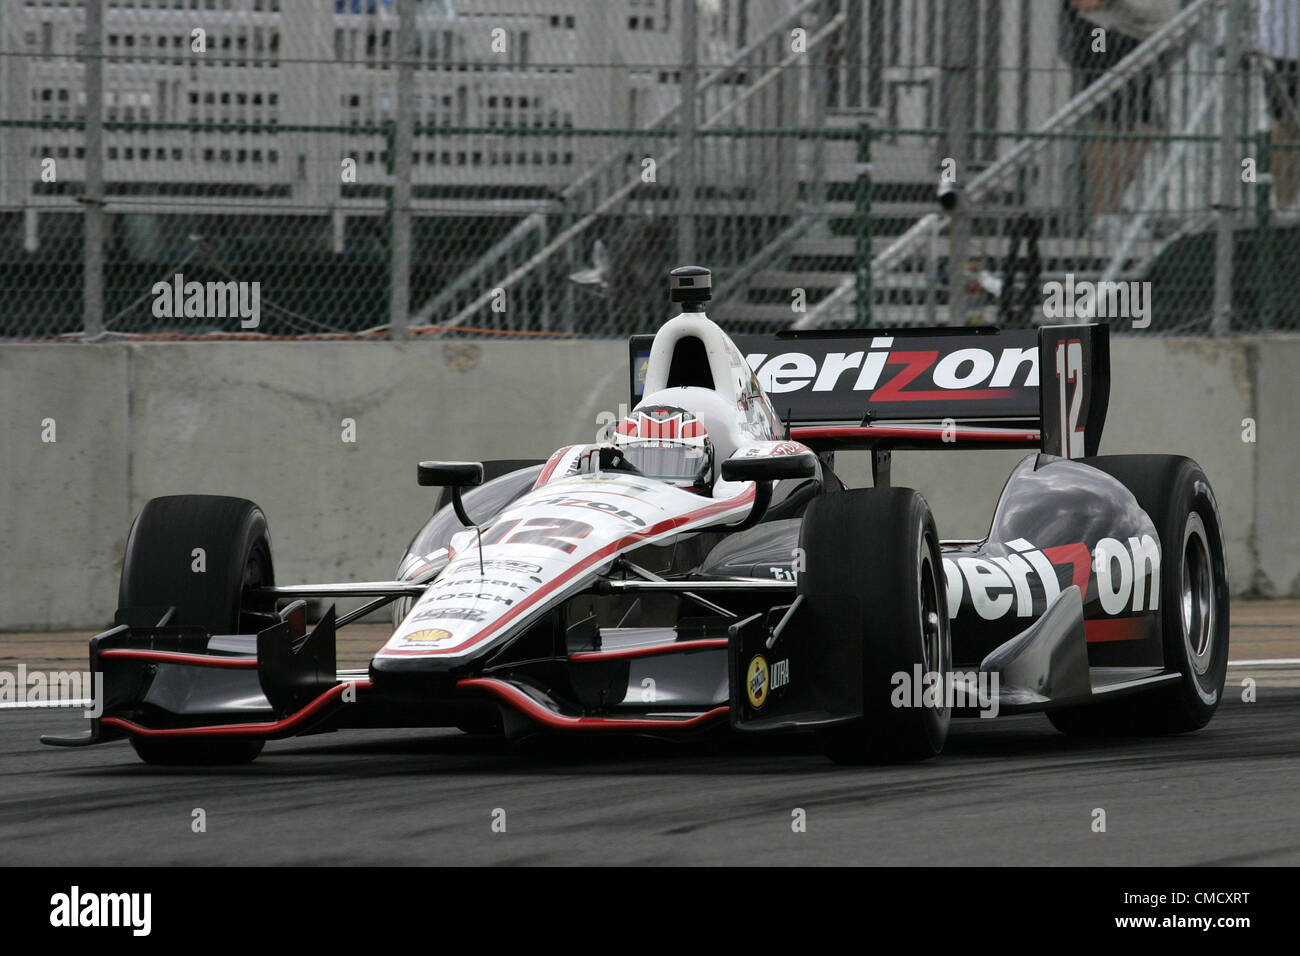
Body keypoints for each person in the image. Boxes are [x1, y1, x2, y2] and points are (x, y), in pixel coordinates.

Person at [1059, 0, 1179, 238]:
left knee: (1135, 126)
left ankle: (1109, 209)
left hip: (1135, 36)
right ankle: (1104, 213)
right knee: (1112, 123)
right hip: (1103, 33)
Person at [1258, 0, 1300, 211]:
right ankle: (1285, 204)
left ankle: (1285, 203)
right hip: (1284, 48)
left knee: (1286, 130)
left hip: (1282, 44)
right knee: (1286, 129)